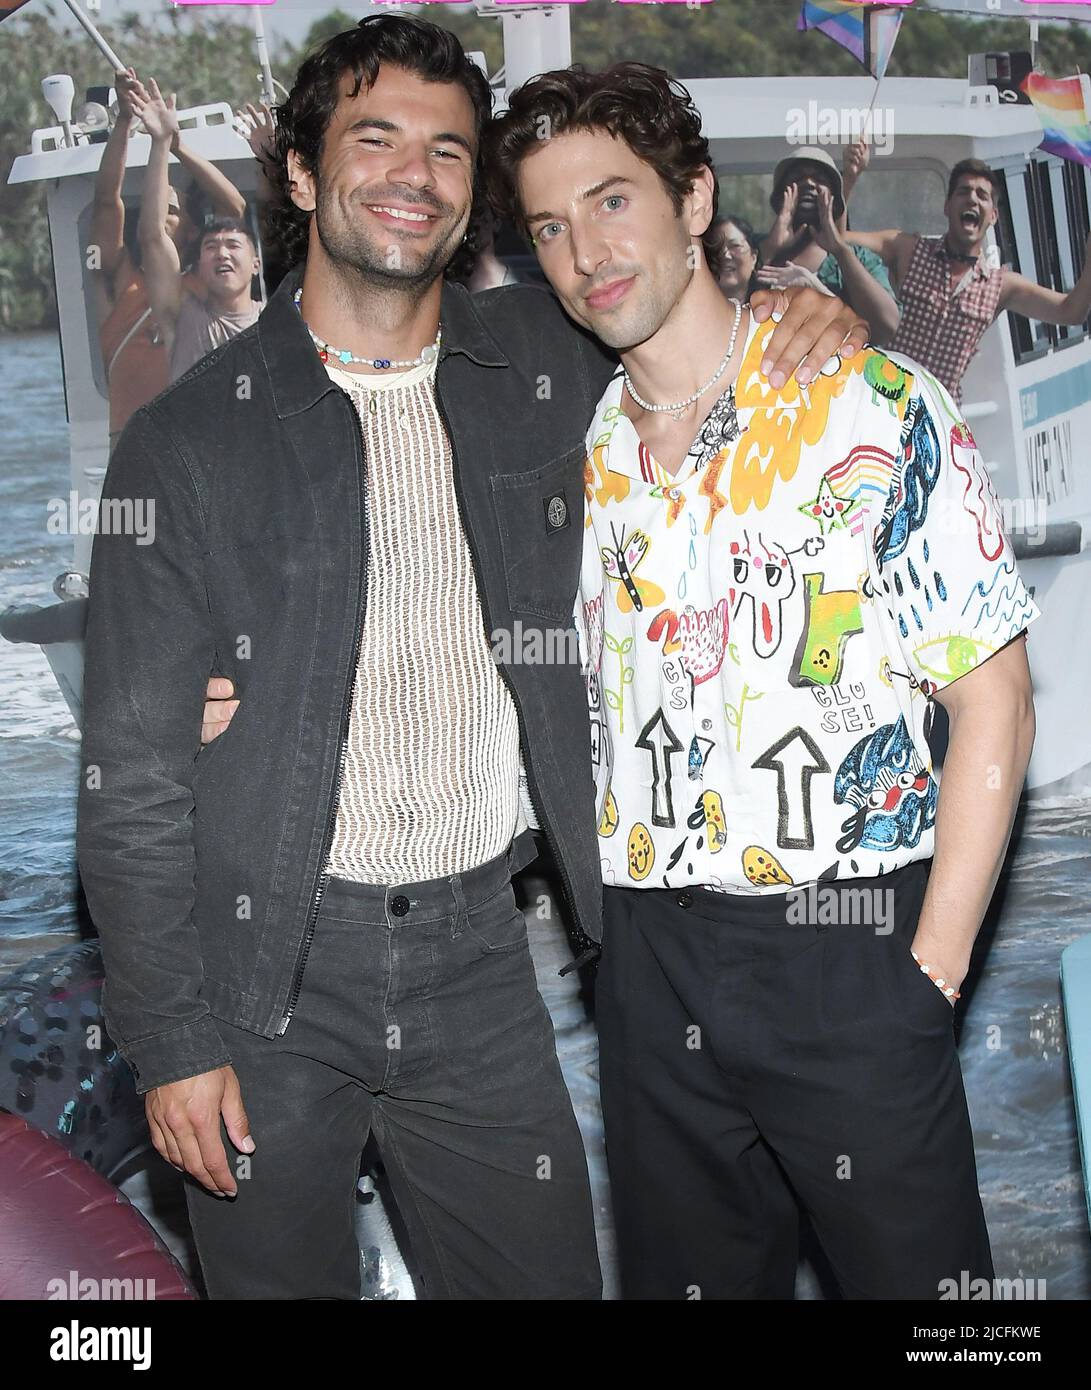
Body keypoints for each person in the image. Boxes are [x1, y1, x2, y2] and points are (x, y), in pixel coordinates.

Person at [77, 16, 863, 1302]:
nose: (414, 174)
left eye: (448, 151)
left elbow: (680, 326)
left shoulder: (544, 368)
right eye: (373, 137)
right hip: (263, 978)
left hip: (483, 970)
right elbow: (134, 785)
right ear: (295, 171)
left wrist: (798, 311)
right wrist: (169, 1042)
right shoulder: (185, 447)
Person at [482, 61, 1040, 1299]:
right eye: (548, 229)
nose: (584, 252)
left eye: (612, 202)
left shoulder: (874, 400)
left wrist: (927, 981)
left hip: (849, 953)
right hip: (646, 956)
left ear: (692, 199)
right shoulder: (573, 443)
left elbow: (992, 698)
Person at [844, 149, 1091, 404]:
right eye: (963, 192)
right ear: (947, 206)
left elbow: (1070, 312)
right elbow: (838, 240)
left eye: (982, 195)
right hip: (882, 397)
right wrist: (850, 179)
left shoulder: (1001, 286)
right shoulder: (906, 249)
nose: (972, 199)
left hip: (938, 413)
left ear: (993, 215)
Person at [90, 68, 247, 448]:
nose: (158, 215)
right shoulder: (120, 276)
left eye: (170, 210)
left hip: (196, 440)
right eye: (152, 207)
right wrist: (125, 122)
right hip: (131, 444)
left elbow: (235, 209)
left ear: (193, 230)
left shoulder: (208, 279)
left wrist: (177, 146)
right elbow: (107, 201)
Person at [129, 78, 262, 383]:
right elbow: (152, 237)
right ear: (199, 267)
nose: (222, 253)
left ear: (256, 263)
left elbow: (235, 209)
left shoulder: (276, 320)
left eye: (232, 245)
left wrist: (181, 146)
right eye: (211, 248)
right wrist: (161, 142)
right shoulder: (182, 315)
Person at [760, 146, 900, 344]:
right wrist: (769, 249)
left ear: (835, 200)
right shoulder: (755, 249)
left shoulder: (858, 257)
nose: (808, 183)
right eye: (797, 178)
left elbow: (887, 325)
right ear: (780, 195)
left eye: (820, 179)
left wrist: (839, 251)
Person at [709, 212, 760, 300]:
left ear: (753, 258)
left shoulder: (774, 308)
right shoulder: (690, 308)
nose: (725, 255)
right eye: (716, 247)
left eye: (735, 246)